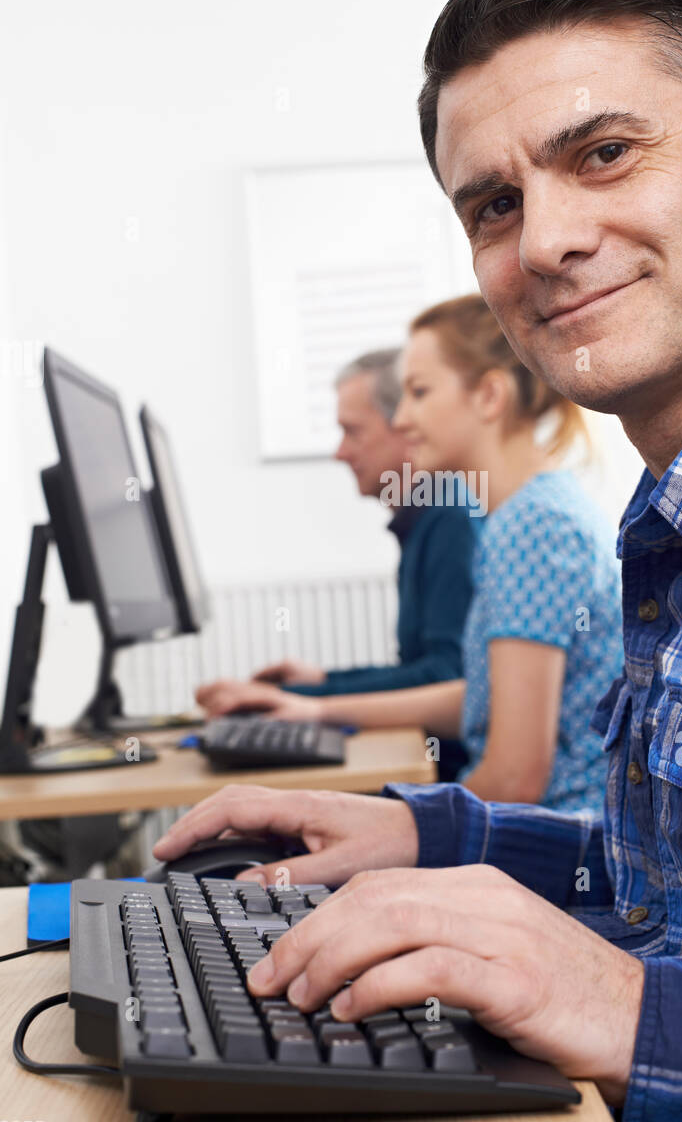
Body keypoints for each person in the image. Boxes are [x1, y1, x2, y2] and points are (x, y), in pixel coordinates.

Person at [155, 0, 682, 1122]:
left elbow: (659, 968)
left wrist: (623, 1004)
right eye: (495, 205)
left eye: (603, 153)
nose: (544, 243)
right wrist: (436, 834)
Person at [198, 294, 623, 813]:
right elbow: (480, 697)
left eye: (418, 393)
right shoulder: (530, 511)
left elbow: (514, 782)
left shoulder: (533, 526)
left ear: (490, 396)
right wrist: (315, 711)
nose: (401, 419)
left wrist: (389, 823)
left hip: (555, 849)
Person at [201, 348, 475, 700]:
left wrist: (301, 698)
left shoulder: (450, 518)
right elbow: (423, 669)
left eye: (352, 431)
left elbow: (446, 676)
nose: (339, 452)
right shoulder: (428, 514)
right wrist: (317, 680)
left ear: (407, 426)